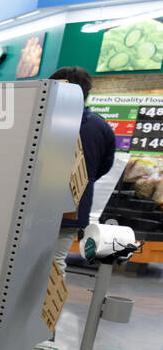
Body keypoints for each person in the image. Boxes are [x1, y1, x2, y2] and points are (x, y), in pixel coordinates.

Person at [49, 66, 116, 272]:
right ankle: (50, 305)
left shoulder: (44, 119)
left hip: (34, 206)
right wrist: (83, 180)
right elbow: (104, 167)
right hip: (75, 206)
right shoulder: (101, 127)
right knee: (57, 262)